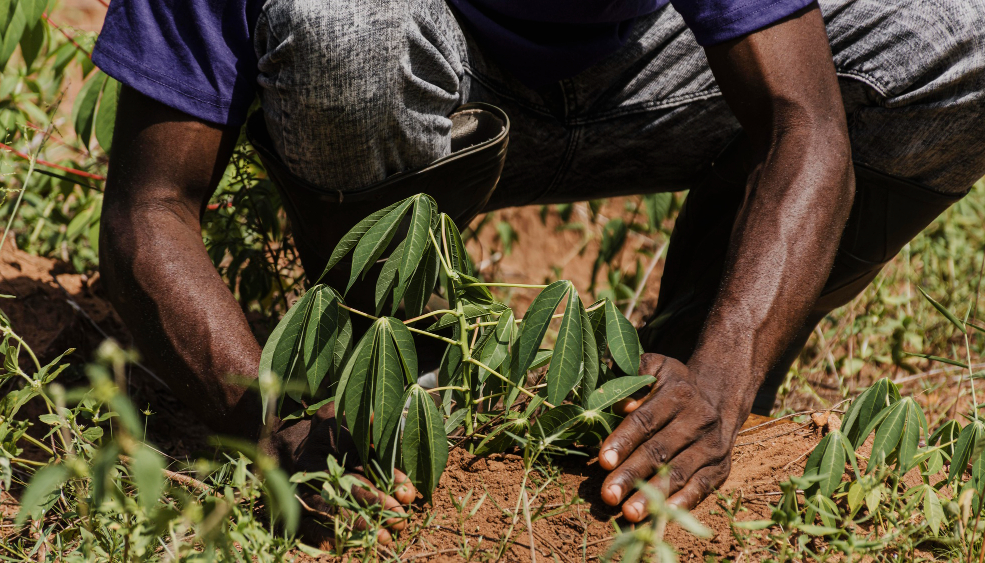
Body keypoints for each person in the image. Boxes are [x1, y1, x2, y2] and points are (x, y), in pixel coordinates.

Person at [92, 0, 985, 543]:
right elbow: (149, 206)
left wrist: (724, 371)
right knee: (337, 26)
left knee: (960, 41)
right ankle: (391, 390)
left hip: (650, 80)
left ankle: (666, 388)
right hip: (415, 84)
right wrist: (270, 422)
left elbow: (807, 120)